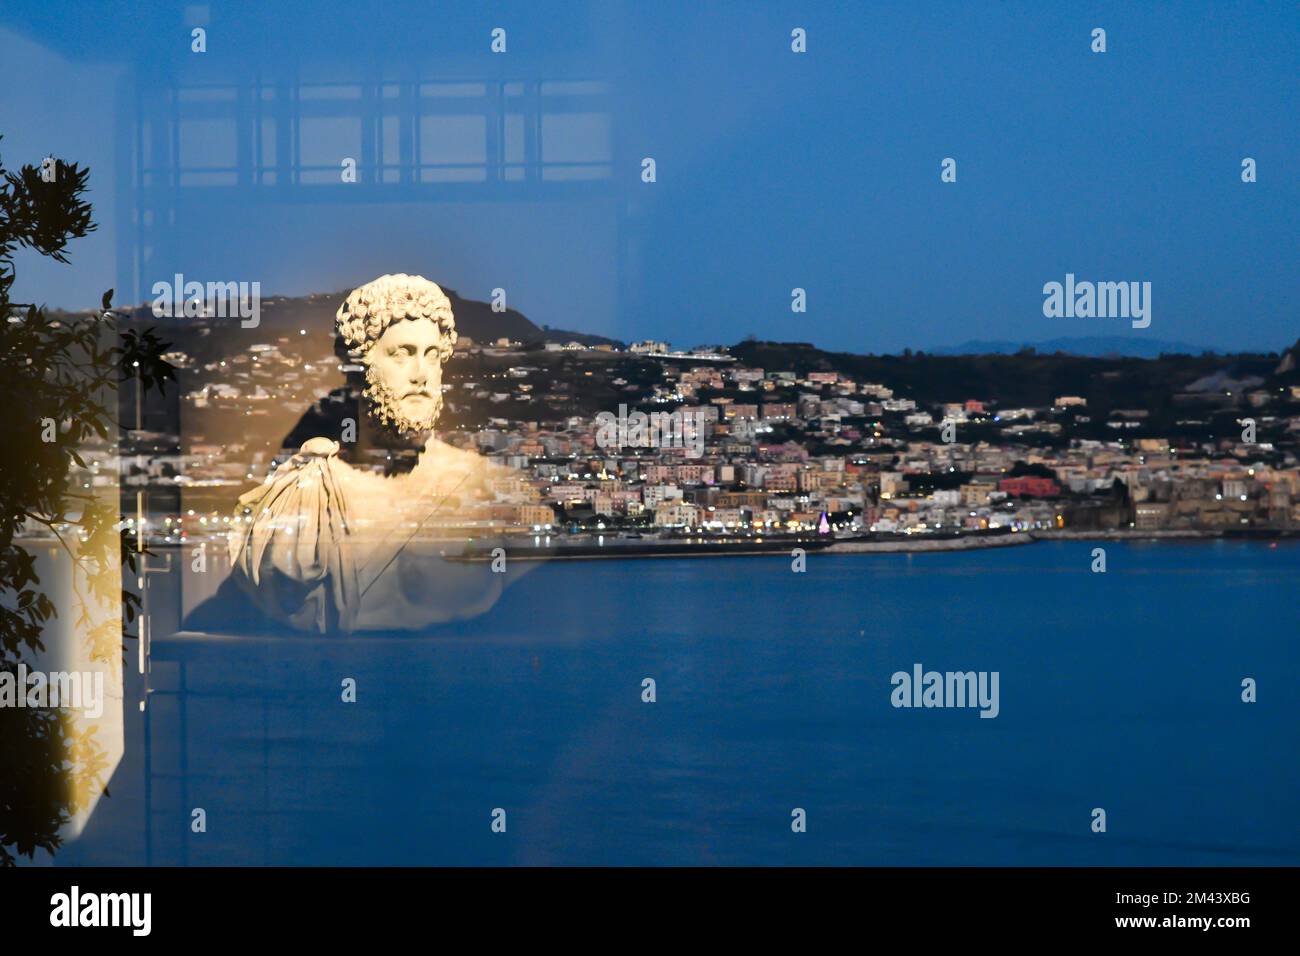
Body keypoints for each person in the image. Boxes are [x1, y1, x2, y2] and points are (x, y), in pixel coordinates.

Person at [223, 274, 523, 633]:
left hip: (450, 682)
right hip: (325, 678)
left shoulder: (486, 483)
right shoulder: (306, 492)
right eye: (403, 354)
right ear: (359, 365)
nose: (421, 375)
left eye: (432, 356)